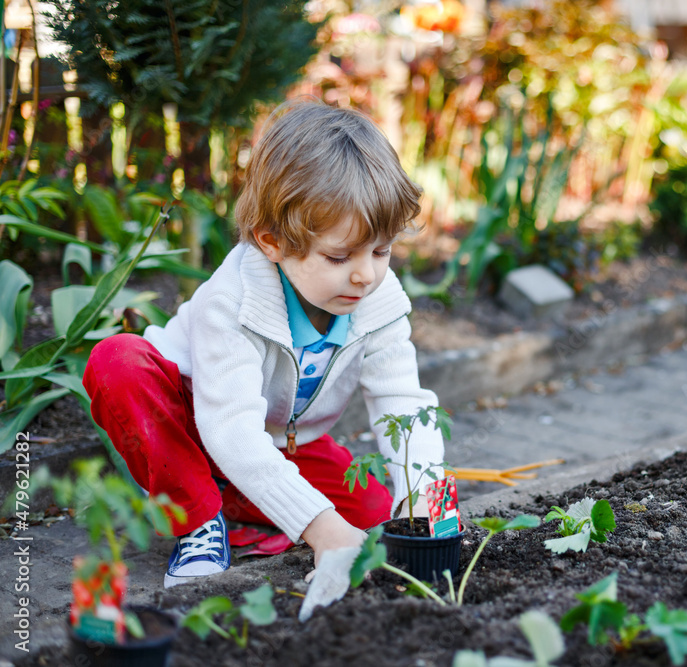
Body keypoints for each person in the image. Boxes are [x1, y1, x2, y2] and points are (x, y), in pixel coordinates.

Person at [83, 101, 444, 588]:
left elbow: (401, 403)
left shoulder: (378, 302)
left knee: (376, 509)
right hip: (191, 430)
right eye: (340, 256)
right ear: (271, 241)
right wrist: (321, 529)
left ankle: (234, 500)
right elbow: (230, 430)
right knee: (116, 361)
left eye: (381, 250)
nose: (365, 274)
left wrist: (424, 496)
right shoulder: (233, 300)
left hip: (278, 443)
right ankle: (196, 519)